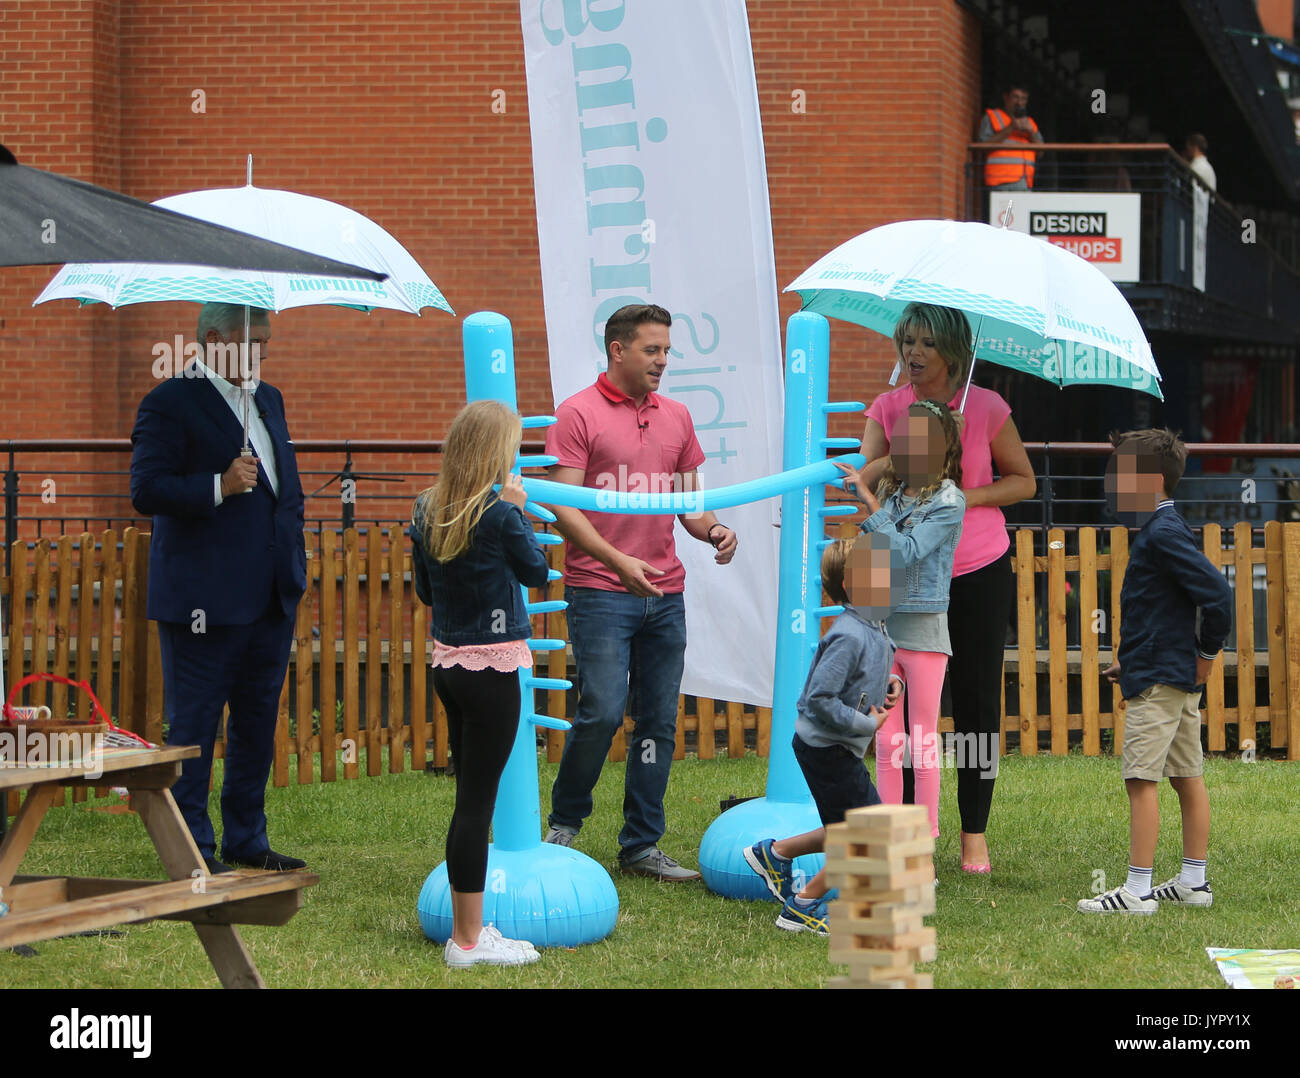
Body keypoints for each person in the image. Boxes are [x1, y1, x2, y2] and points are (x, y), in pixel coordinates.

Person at [541, 303, 738, 881]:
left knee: (657, 723)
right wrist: (615, 560)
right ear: (618, 350)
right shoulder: (576, 413)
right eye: (652, 350)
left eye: (667, 351)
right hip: (601, 589)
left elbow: (690, 504)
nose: (662, 361)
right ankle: (566, 823)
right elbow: (562, 504)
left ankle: (641, 845)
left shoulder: (677, 416)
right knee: (601, 711)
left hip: (665, 593)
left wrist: (716, 530)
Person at [852, 304, 1035, 872]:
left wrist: (961, 498)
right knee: (899, 709)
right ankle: (905, 828)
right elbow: (865, 478)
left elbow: (1023, 481)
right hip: (903, 580)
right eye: (907, 341)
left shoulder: (986, 407)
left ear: (953, 351)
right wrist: (915, 445)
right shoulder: (886, 407)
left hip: (978, 568)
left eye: (926, 343)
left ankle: (973, 833)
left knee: (979, 700)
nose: (913, 353)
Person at [130, 302, 306, 874]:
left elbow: (287, 491)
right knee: (195, 729)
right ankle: (192, 852)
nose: (263, 353)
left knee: (256, 727)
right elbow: (147, 489)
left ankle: (247, 840)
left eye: (267, 342)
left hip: (270, 598)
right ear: (212, 339)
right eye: (253, 342)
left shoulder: (268, 398)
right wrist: (218, 485)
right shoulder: (169, 402)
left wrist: (293, 567)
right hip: (202, 602)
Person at [410, 400, 547, 966]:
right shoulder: (497, 513)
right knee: (475, 806)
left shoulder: (426, 508)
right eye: (512, 446)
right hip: (491, 669)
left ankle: (471, 929)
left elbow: (424, 591)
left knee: (469, 801)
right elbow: (537, 571)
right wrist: (519, 511)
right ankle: (467, 940)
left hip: (448, 665)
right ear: (495, 452)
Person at [1077, 429, 1232, 914]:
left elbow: (1218, 596)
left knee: (1141, 780)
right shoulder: (1165, 530)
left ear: (1153, 481)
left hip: (1165, 683)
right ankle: (1193, 883)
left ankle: (1137, 891)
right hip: (1170, 673)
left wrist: (1207, 656)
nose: (1112, 485)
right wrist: (1133, 660)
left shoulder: (1161, 533)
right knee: (1188, 775)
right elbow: (1164, 611)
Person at [743, 534, 902, 934]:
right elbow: (819, 698)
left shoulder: (874, 626)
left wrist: (890, 684)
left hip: (835, 747)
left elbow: (861, 679)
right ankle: (803, 905)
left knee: (846, 828)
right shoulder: (849, 634)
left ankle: (775, 854)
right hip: (825, 748)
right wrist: (867, 724)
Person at [840, 400, 965, 844]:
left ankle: (923, 846)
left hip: (926, 635)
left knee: (922, 742)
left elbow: (907, 551)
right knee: (889, 744)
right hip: (884, 633)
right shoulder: (894, 497)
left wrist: (869, 502)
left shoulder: (951, 499)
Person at [978, 83, 1044, 191]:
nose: (1019, 102)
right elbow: (982, 146)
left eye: (1023, 99)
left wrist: (1031, 133)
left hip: (1025, 183)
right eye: (1015, 97)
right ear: (1006, 97)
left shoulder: (1030, 123)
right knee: (1008, 208)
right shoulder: (993, 116)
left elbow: (1041, 152)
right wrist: (1011, 128)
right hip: (1002, 182)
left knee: (1017, 208)